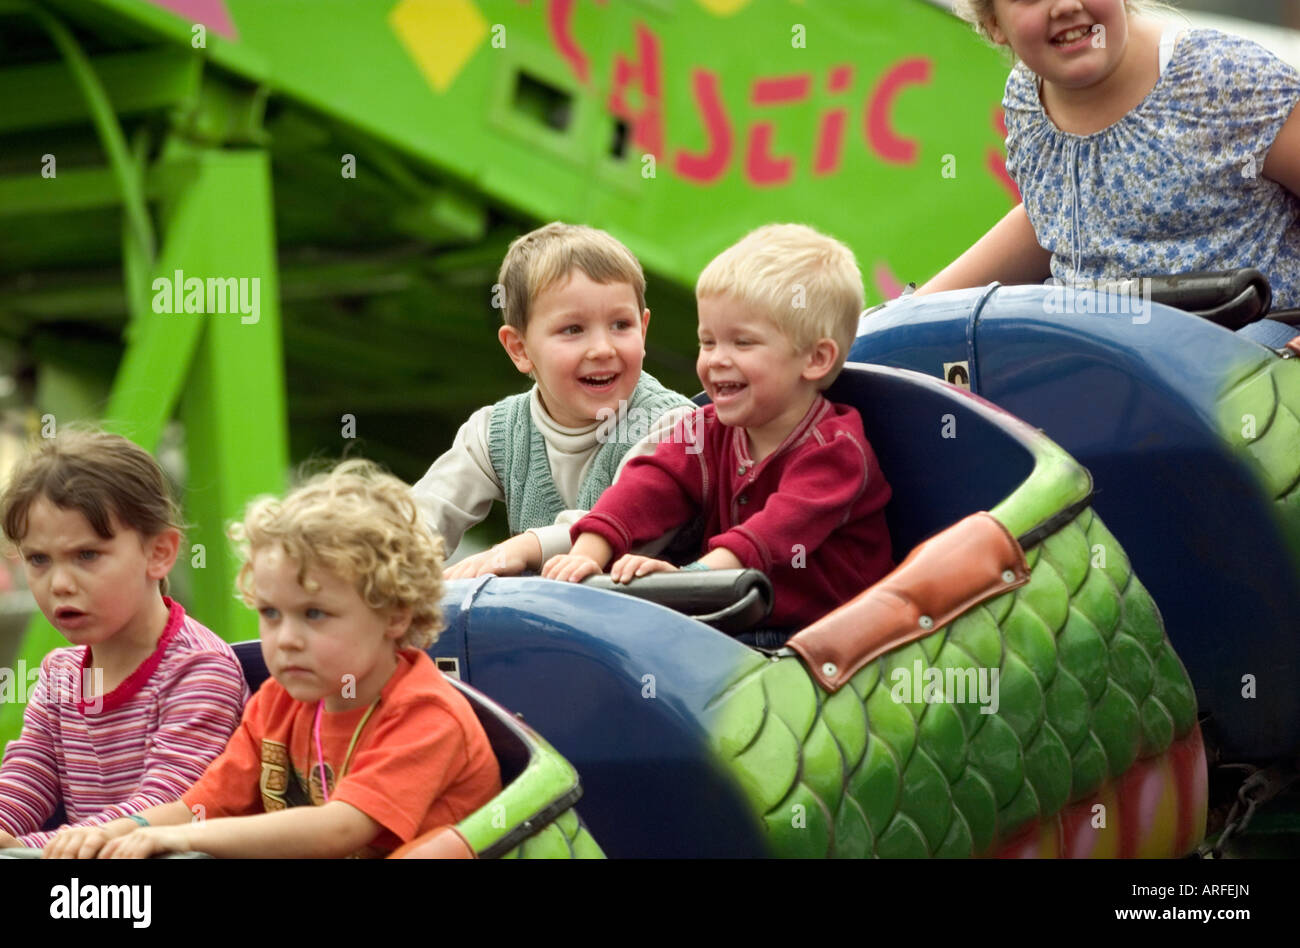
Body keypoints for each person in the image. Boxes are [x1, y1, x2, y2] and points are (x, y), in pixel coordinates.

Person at [40, 459, 501, 859]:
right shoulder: (276, 705)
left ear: (395, 615)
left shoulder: (423, 713)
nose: (287, 639)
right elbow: (199, 805)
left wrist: (174, 838)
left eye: (314, 614)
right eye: (271, 613)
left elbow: (340, 829)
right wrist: (123, 830)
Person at [542, 224, 894, 641]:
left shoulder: (835, 452)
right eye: (707, 342)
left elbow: (771, 537)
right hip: (738, 616)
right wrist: (589, 552)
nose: (716, 361)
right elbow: (650, 485)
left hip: (830, 641)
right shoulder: (706, 430)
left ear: (816, 359)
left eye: (742, 343)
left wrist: (689, 580)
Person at [920, 1, 1300, 311]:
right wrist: (907, 315)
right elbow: (1059, 221)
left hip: (1248, 361)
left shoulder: (1219, 76)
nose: (1065, 6)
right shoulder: (1026, 97)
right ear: (993, 24)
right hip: (1099, 364)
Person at [0, 430, 247, 850]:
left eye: (87, 555)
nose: (59, 584)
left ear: (159, 553)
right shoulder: (61, 672)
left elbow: (169, 801)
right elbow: (28, 777)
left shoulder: (200, 669)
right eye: (39, 559)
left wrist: (29, 847)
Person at [412, 222, 695, 579]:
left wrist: (522, 547)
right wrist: (378, 561)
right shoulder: (496, 432)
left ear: (644, 329)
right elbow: (426, 514)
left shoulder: (674, 424)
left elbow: (625, 520)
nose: (602, 349)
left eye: (621, 325)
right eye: (573, 329)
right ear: (520, 349)